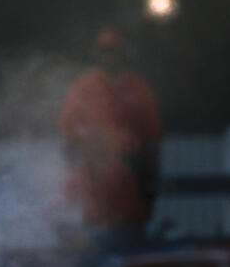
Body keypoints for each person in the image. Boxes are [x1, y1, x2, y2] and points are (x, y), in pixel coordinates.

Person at [57, 26, 162, 241]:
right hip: (95, 175)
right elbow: (68, 134)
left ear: (123, 53)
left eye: (115, 50)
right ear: (97, 54)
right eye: (105, 50)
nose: (110, 56)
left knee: (128, 228)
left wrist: (152, 177)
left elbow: (152, 137)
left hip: (132, 170)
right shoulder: (83, 87)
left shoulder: (137, 87)